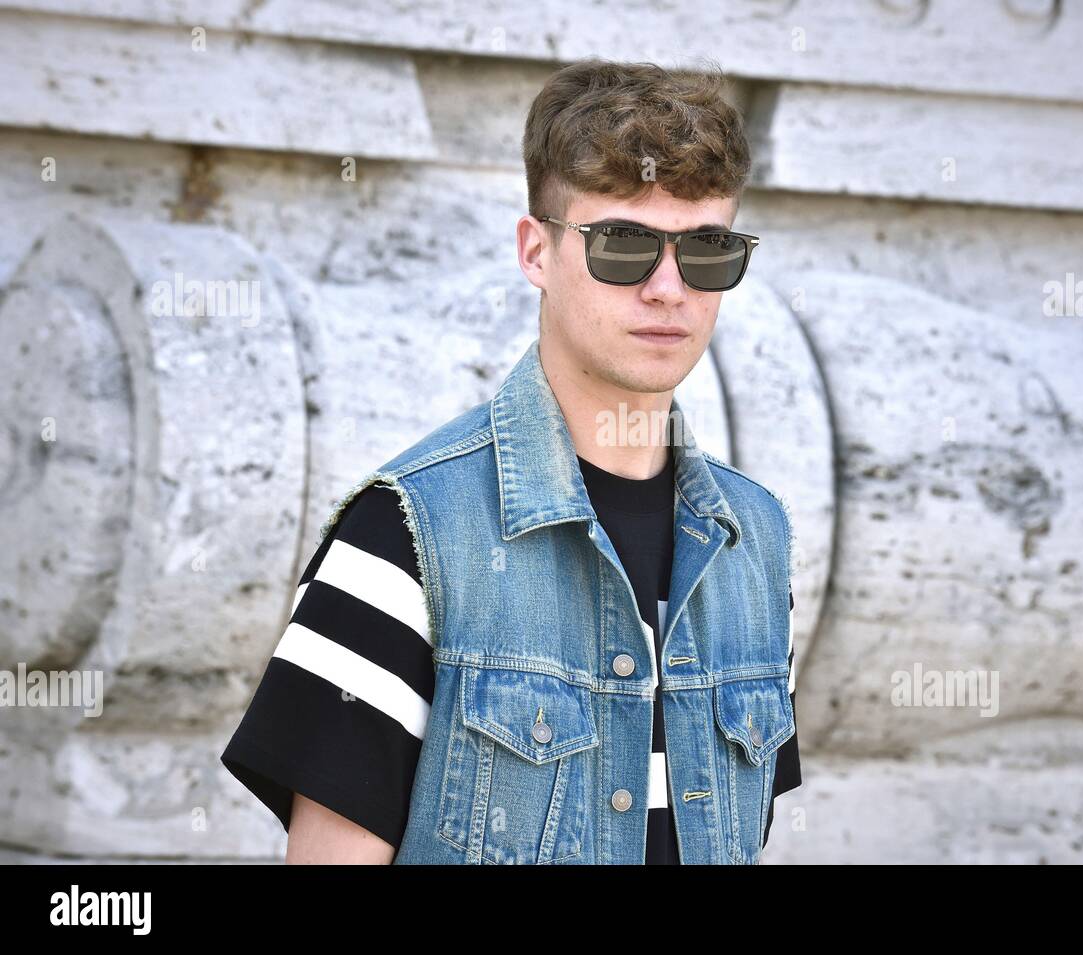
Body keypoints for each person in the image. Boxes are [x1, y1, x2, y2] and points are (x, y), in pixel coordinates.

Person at [221, 56, 801, 864]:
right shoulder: (404, 533)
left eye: (706, 248)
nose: (669, 287)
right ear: (536, 251)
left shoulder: (755, 541)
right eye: (625, 245)